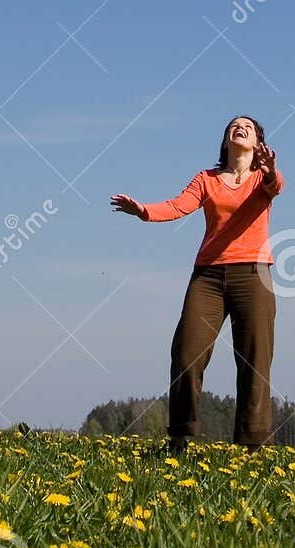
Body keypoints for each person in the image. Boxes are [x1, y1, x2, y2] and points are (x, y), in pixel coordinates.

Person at [111, 116, 283, 449]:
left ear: (258, 142)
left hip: (254, 275)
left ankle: (252, 445)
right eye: (233, 126)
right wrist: (143, 211)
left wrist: (272, 169)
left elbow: (276, 187)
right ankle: (180, 437)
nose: (239, 128)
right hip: (208, 277)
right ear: (225, 141)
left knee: (255, 360)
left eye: (247, 127)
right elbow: (178, 205)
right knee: (187, 353)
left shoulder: (263, 177)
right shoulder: (206, 179)